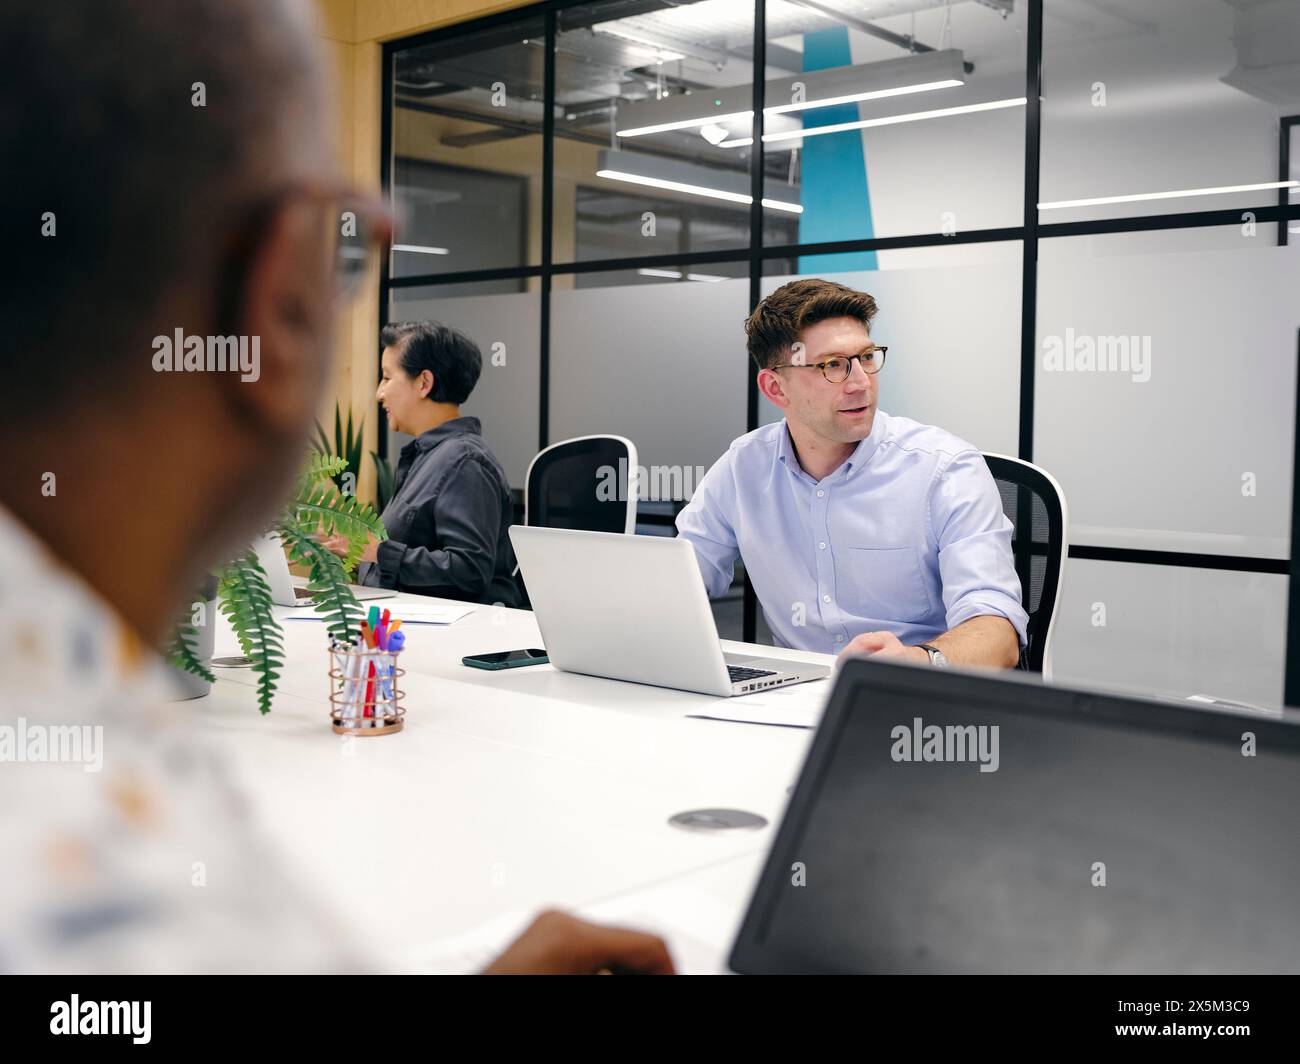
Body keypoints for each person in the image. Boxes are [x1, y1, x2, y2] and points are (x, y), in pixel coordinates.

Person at [0, 0, 669, 974]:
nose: (371, 389)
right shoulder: (120, 891)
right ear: (286, 295)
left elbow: (464, 569)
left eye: (386, 375)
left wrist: (368, 552)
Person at [676, 278, 1027, 670]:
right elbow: (678, 580)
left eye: (867, 358)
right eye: (833, 366)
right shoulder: (743, 467)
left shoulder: (945, 470)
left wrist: (917, 660)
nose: (861, 383)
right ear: (775, 388)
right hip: (790, 703)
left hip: (917, 704)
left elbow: (998, 633)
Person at [327, 321, 517, 606]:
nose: (379, 393)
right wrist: (348, 548)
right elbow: (404, 566)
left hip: (453, 638)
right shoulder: (427, 457)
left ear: (424, 383)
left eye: (387, 378)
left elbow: (469, 570)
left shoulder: (465, 462)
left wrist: (378, 551)